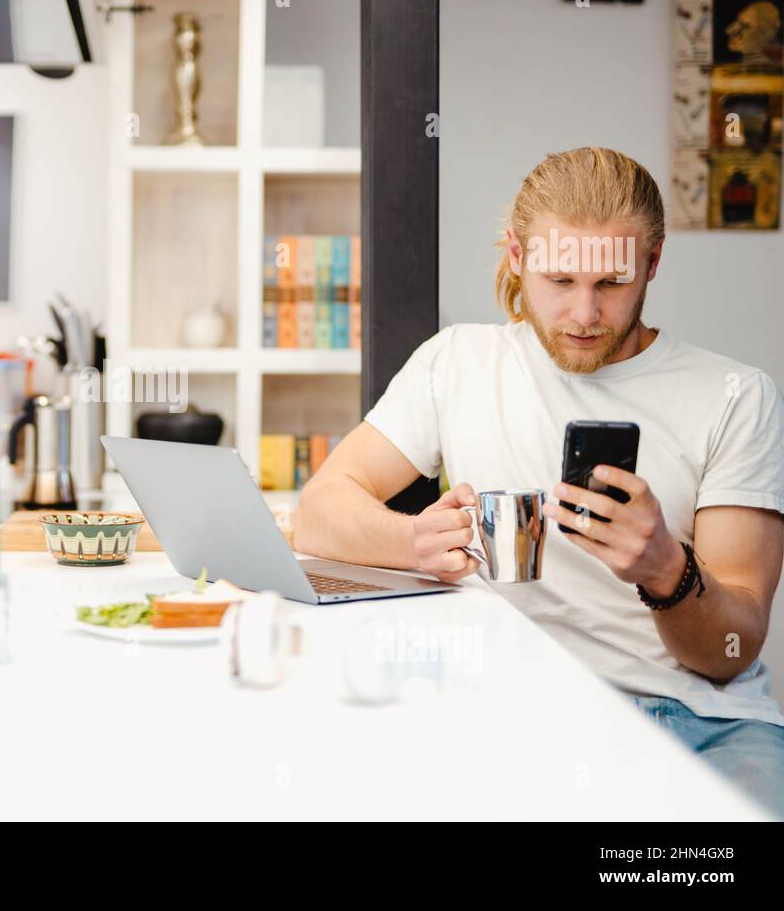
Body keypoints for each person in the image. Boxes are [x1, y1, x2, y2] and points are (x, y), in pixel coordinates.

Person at [295, 146, 784, 817]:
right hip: (518, 708)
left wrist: (666, 571)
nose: (585, 314)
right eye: (560, 280)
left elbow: (733, 649)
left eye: (611, 284)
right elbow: (321, 509)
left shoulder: (734, 397)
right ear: (517, 256)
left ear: (653, 263)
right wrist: (409, 541)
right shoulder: (457, 363)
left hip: (702, 721)